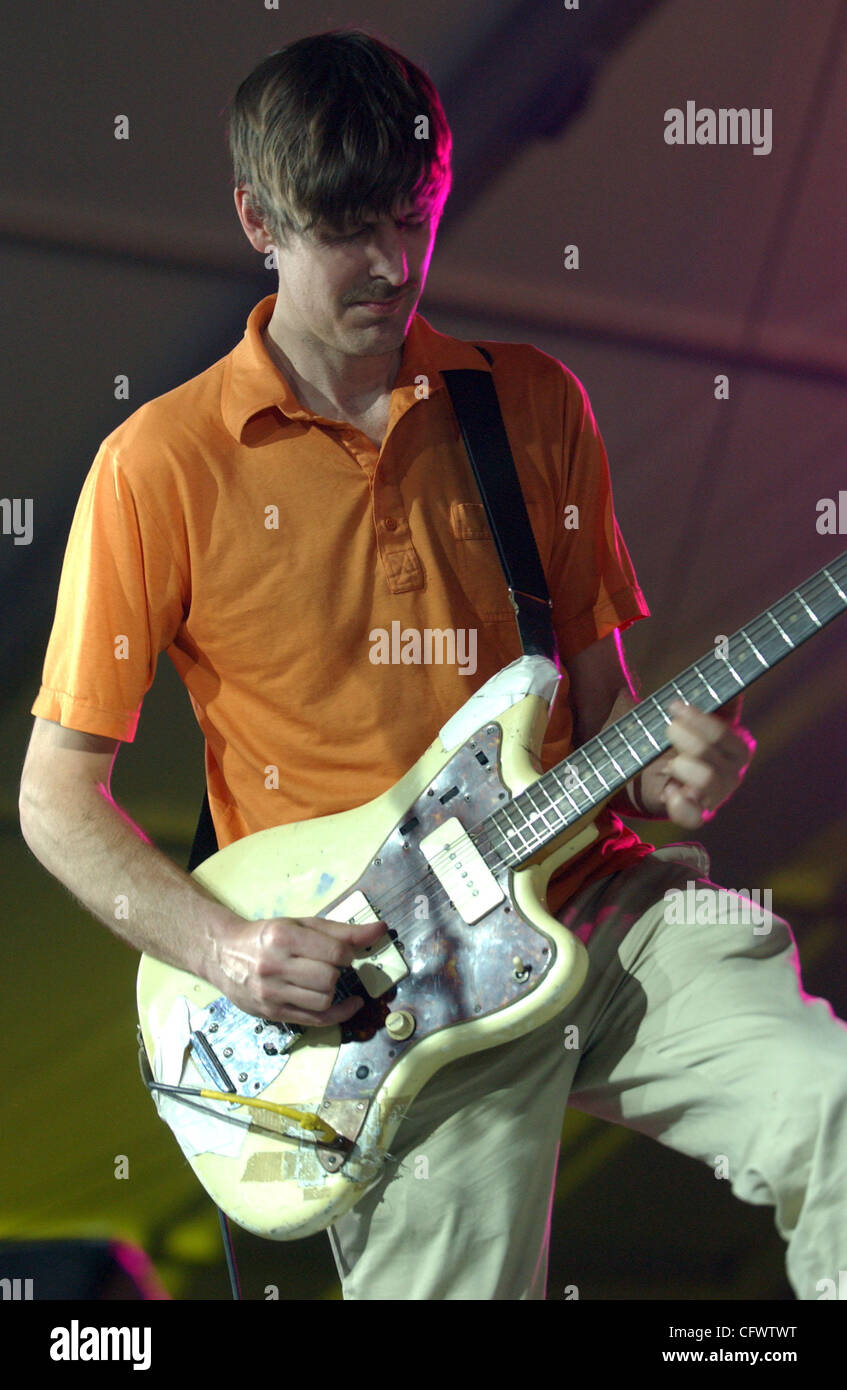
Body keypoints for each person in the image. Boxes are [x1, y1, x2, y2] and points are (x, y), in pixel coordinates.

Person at [19, 29, 847, 1302]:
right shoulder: (159, 464)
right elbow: (54, 799)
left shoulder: (528, 405)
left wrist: (675, 773)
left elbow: (603, 722)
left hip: (595, 907)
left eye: (413, 217)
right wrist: (230, 952)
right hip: (388, 990)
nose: (392, 264)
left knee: (832, 1102)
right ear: (257, 216)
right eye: (348, 229)